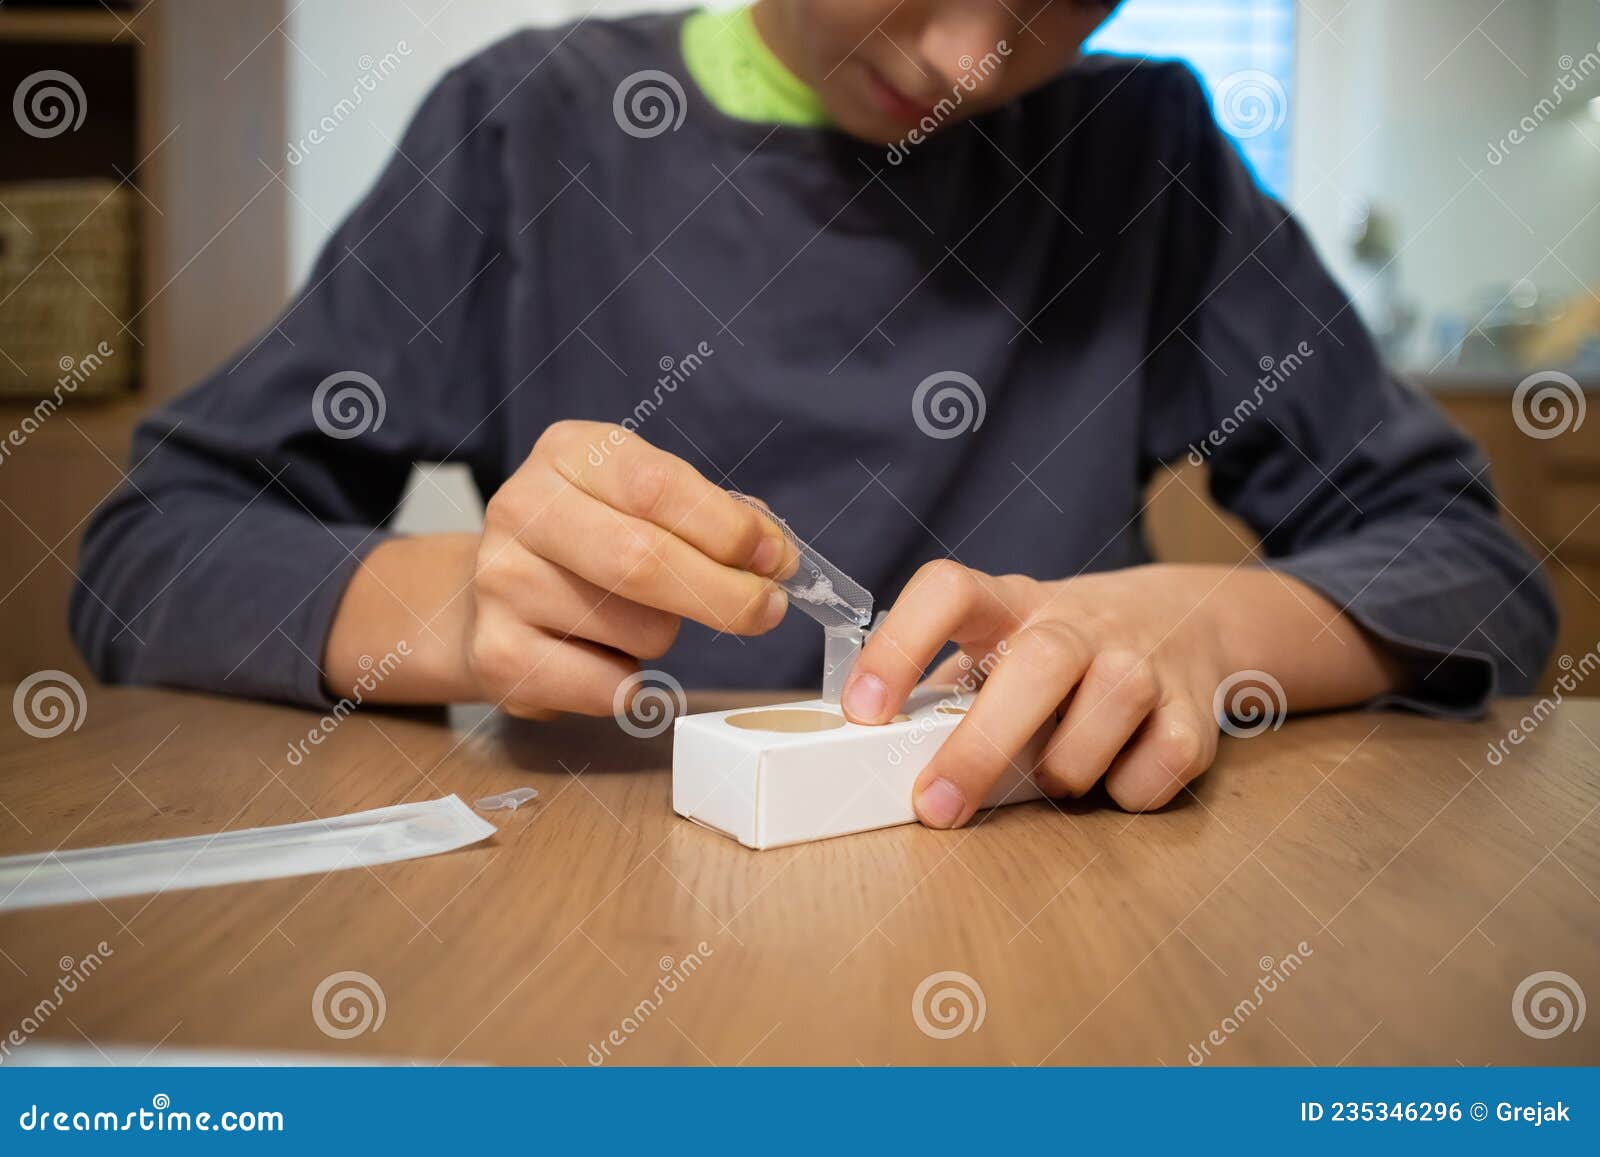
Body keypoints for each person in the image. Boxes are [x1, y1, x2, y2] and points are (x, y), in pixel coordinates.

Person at [72, 1, 1556, 829]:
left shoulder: (1144, 154)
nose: (968, 59)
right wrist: (453, 605)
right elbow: (149, 553)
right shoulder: (527, 130)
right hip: (599, 942)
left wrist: (1210, 631)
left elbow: (1471, 571)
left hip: (1049, 947)